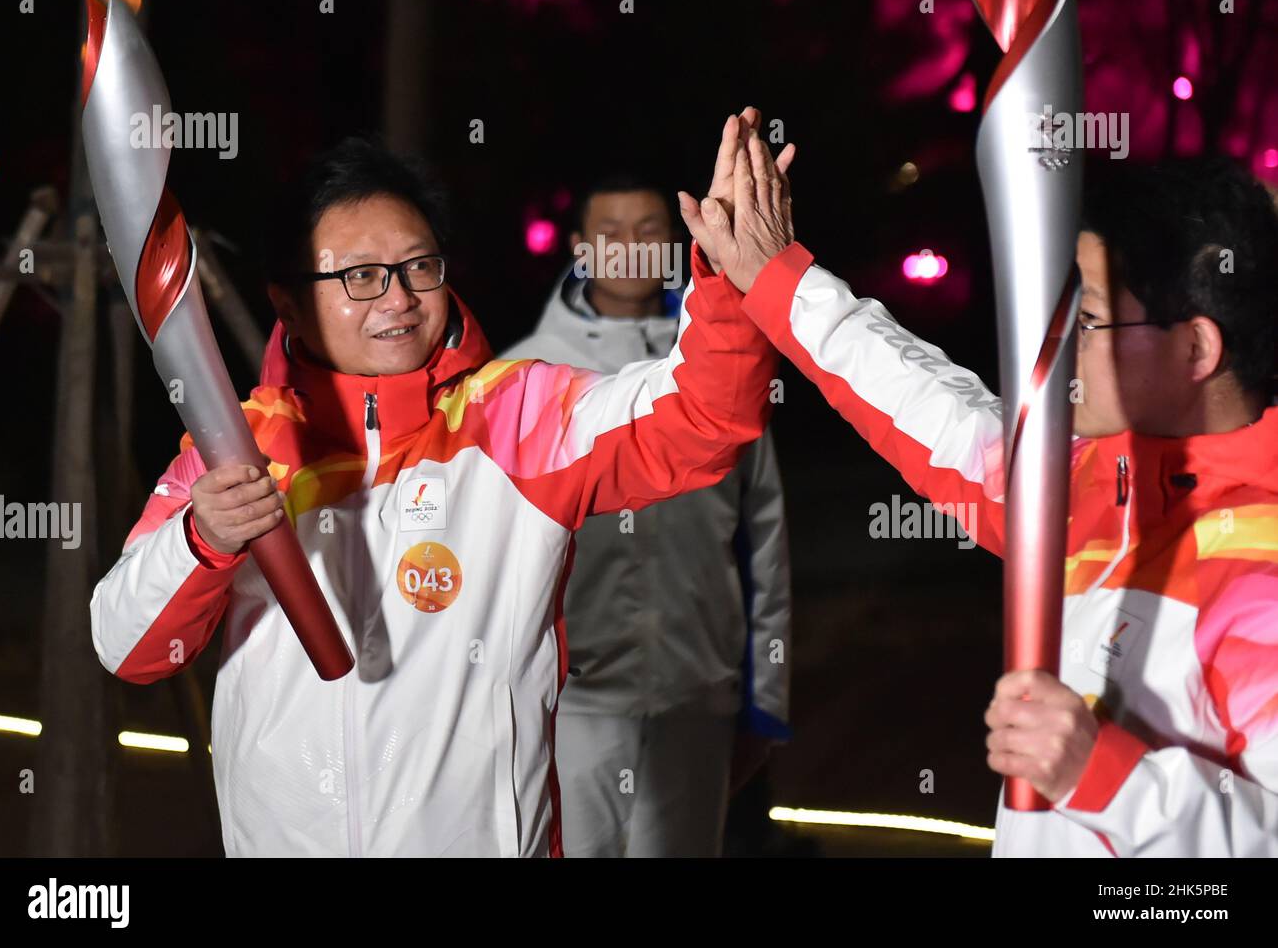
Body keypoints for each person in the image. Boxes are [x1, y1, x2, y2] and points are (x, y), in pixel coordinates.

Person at [89, 115, 781, 858]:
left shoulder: (521, 417)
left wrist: (734, 287)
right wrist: (204, 541)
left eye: (420, 267)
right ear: (286, 300)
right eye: (358, 277)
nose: (399, 300)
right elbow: (129, 648)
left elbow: (706, 418)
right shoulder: (239, 449)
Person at [681, 132, 1278, 858]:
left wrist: (1106, 777)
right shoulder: (1086, 484)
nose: (1053, 351)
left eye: (1085, 322)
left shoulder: (1260, 575)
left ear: (1196, 349)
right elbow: (925, 405)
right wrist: (775, 276)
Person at [506, 171, 791, 858]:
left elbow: (765, 537)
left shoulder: (726, 370)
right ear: (580, 249)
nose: (629, 249)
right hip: (569, 706)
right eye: (609, 233)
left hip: (696, 694)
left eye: (648, 231)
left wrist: (765, 699)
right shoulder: (523, 377)